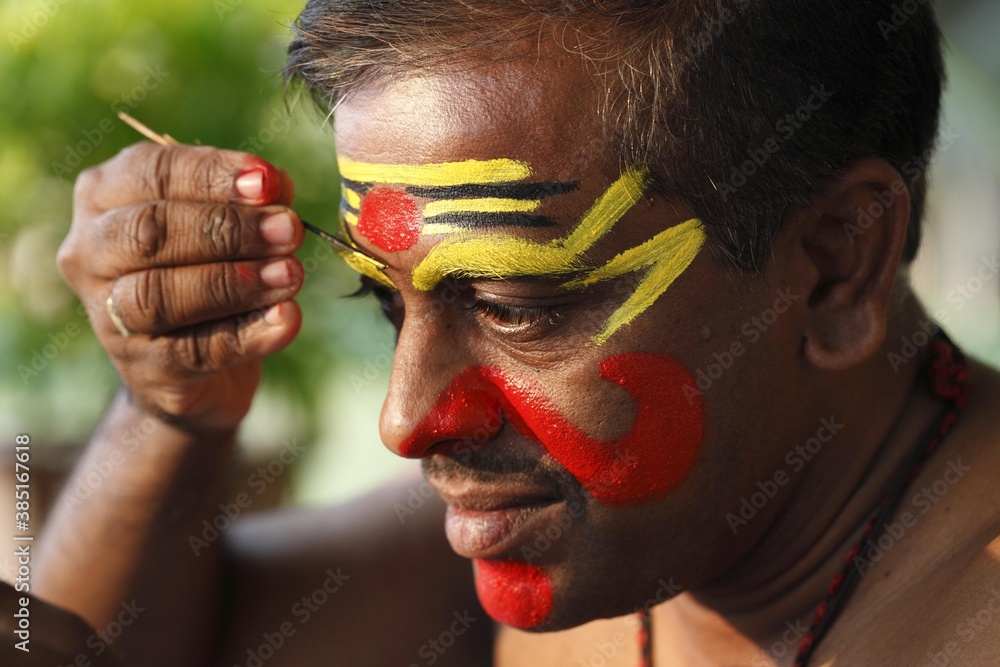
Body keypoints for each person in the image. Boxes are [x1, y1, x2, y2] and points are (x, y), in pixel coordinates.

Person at [12, 0, 1000, 665]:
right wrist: (166, 412)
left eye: (514, 309)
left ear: (835, 264)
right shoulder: (581, 546)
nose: (406, 419)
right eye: (386, 302)